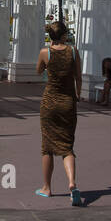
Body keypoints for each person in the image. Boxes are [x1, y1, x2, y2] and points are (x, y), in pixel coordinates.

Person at [36, 19, 82, 205]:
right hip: (68, 103)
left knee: (47, 146)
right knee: (67, 146)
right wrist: (77, 95)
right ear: (65, 35)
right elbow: (78, 77)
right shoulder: (73, 52)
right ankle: (72, 183)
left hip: (49, 104)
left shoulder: (45, 52)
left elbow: (38, 71)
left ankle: (46, 187)